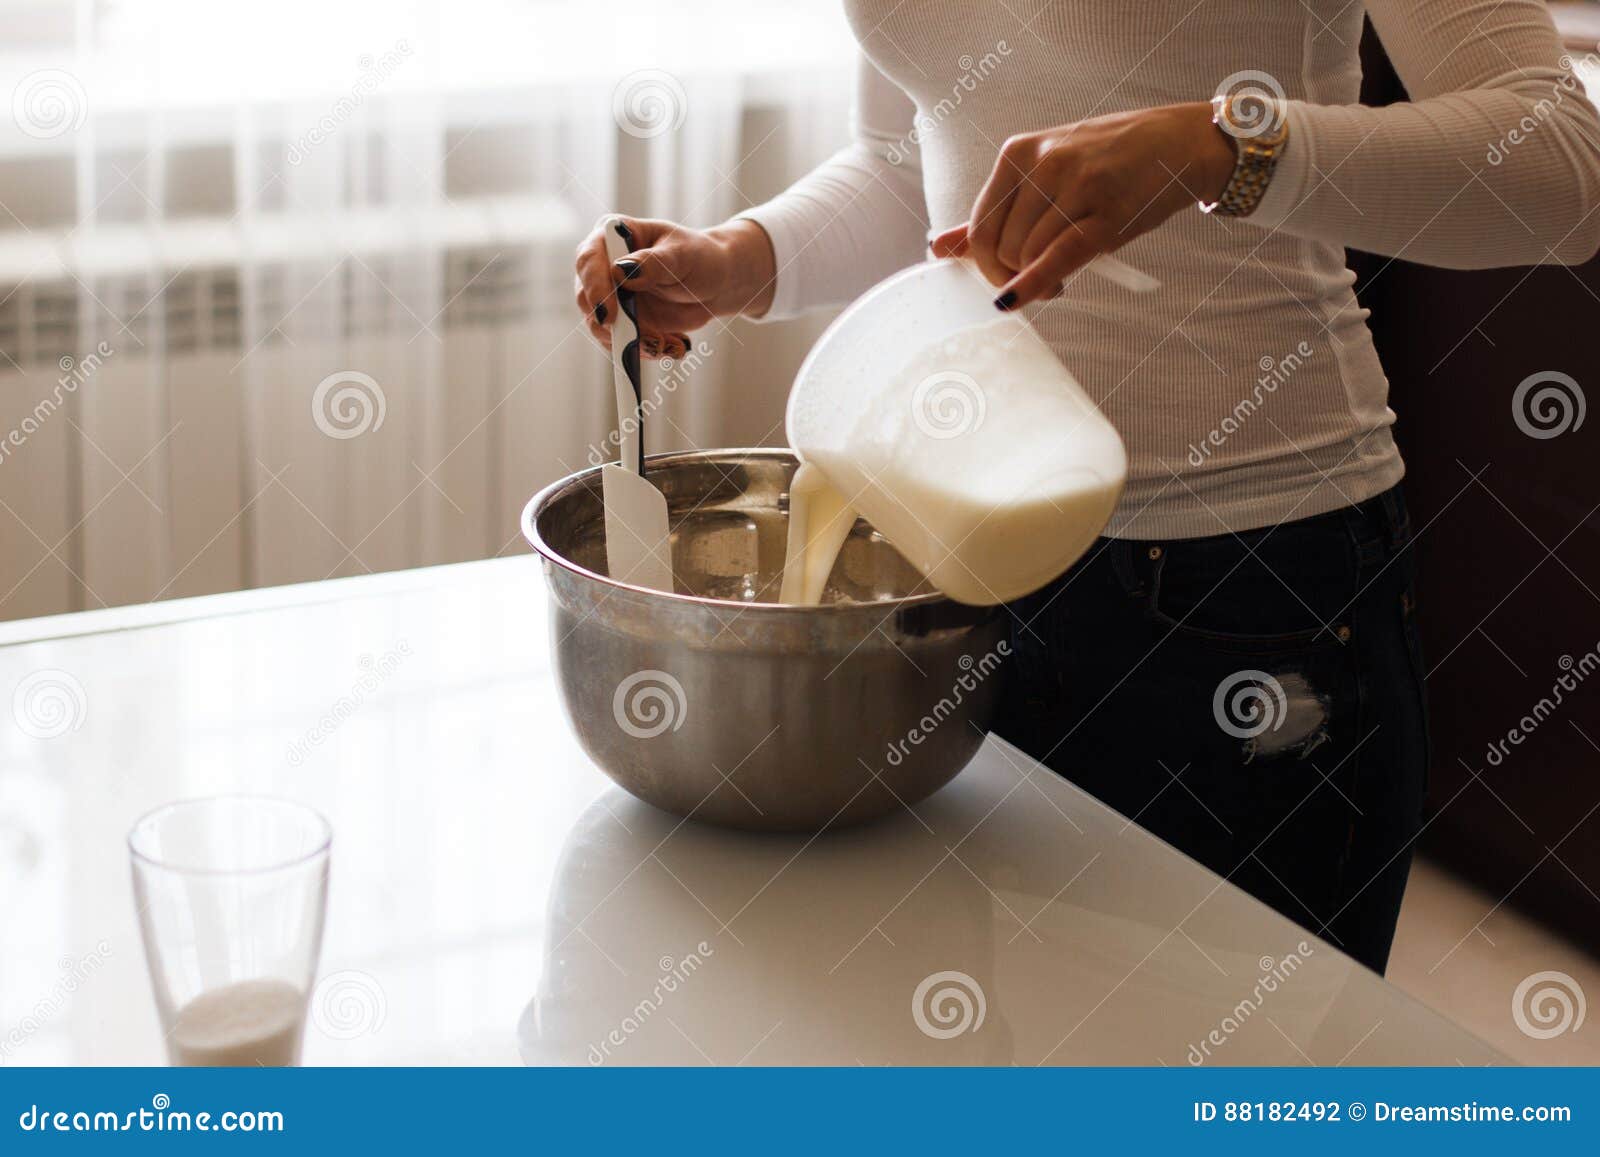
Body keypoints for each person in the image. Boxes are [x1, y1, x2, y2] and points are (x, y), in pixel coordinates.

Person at [572, 0, 1600, 974]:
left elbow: (1559, 165)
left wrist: (1217, 144)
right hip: (963, 569)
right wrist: (745, 259)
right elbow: (921, 152)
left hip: (1244, 594)